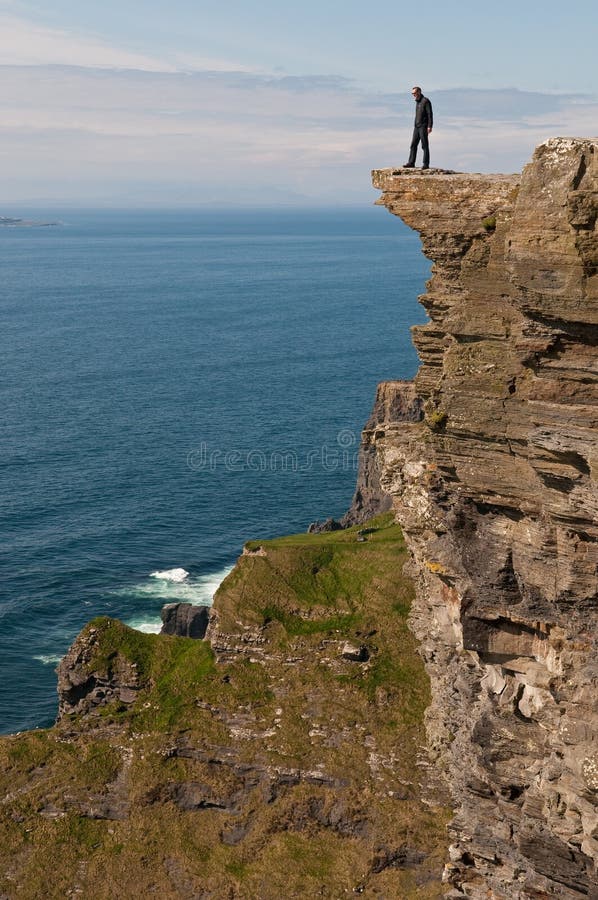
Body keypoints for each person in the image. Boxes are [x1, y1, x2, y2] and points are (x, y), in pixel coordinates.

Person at [403, 86, 433, 169]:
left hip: (423, 126)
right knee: (413, 145)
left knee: (424, 145)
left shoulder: (425, 101)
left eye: (414, 93)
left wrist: (430, 126)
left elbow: (430, 114)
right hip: (416, 127)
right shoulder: (417, 102)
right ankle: (411, 163)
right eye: (412, 93)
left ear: (419, 92)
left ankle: (426, 164)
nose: (413, 95)